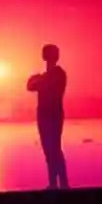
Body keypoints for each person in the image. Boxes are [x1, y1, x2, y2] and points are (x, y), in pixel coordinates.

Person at [26, 44, 68, 189]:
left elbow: (35, 85)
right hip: (46, 114)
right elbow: (30, 86)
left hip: (52, 115)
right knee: (49, 149)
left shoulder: (58, 74)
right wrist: (40, 80)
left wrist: (39, 80)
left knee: (54, 148)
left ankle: (61, 183)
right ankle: (55, 183)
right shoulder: (50, 75)